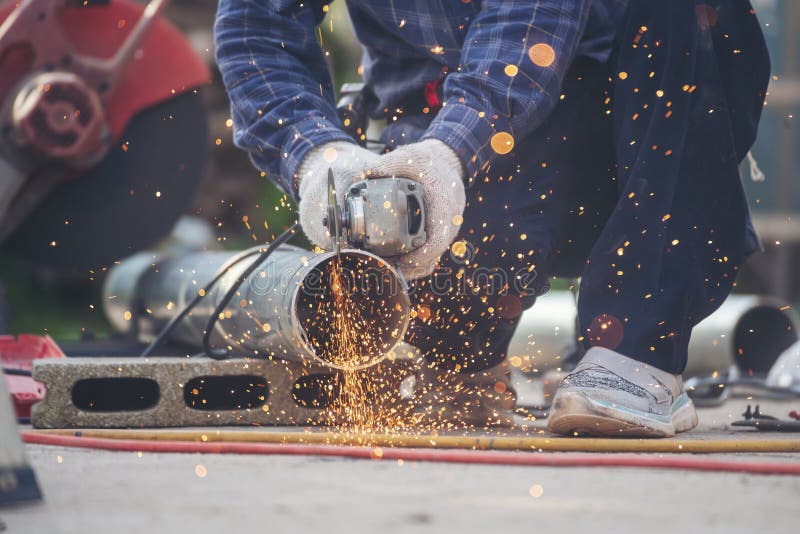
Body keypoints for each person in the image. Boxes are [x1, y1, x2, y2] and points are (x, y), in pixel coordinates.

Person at [215, 0, 770, 436]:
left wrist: (449, 153)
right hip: (442, 121)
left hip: (620, 131)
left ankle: (636, 351)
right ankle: (464, 358)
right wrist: (314, 154)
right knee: (449, 278)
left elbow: (527, 32)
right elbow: (255, 31)